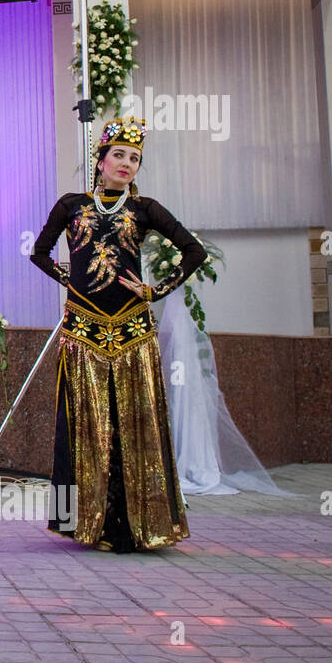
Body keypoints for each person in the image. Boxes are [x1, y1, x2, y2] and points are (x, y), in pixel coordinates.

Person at [30, 118, 204, 552]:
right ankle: (83, 524)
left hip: (132, 330)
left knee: (134, 425)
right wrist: (68, 282)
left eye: (135, 158)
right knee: (83, 428)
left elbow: (193, 250)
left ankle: (134, 527)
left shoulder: (146, 210)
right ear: (101, 160)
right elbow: (38, 252)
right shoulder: (71, 205)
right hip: (83, 331)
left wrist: (154, 290)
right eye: (120, 156)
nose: (127, 164)